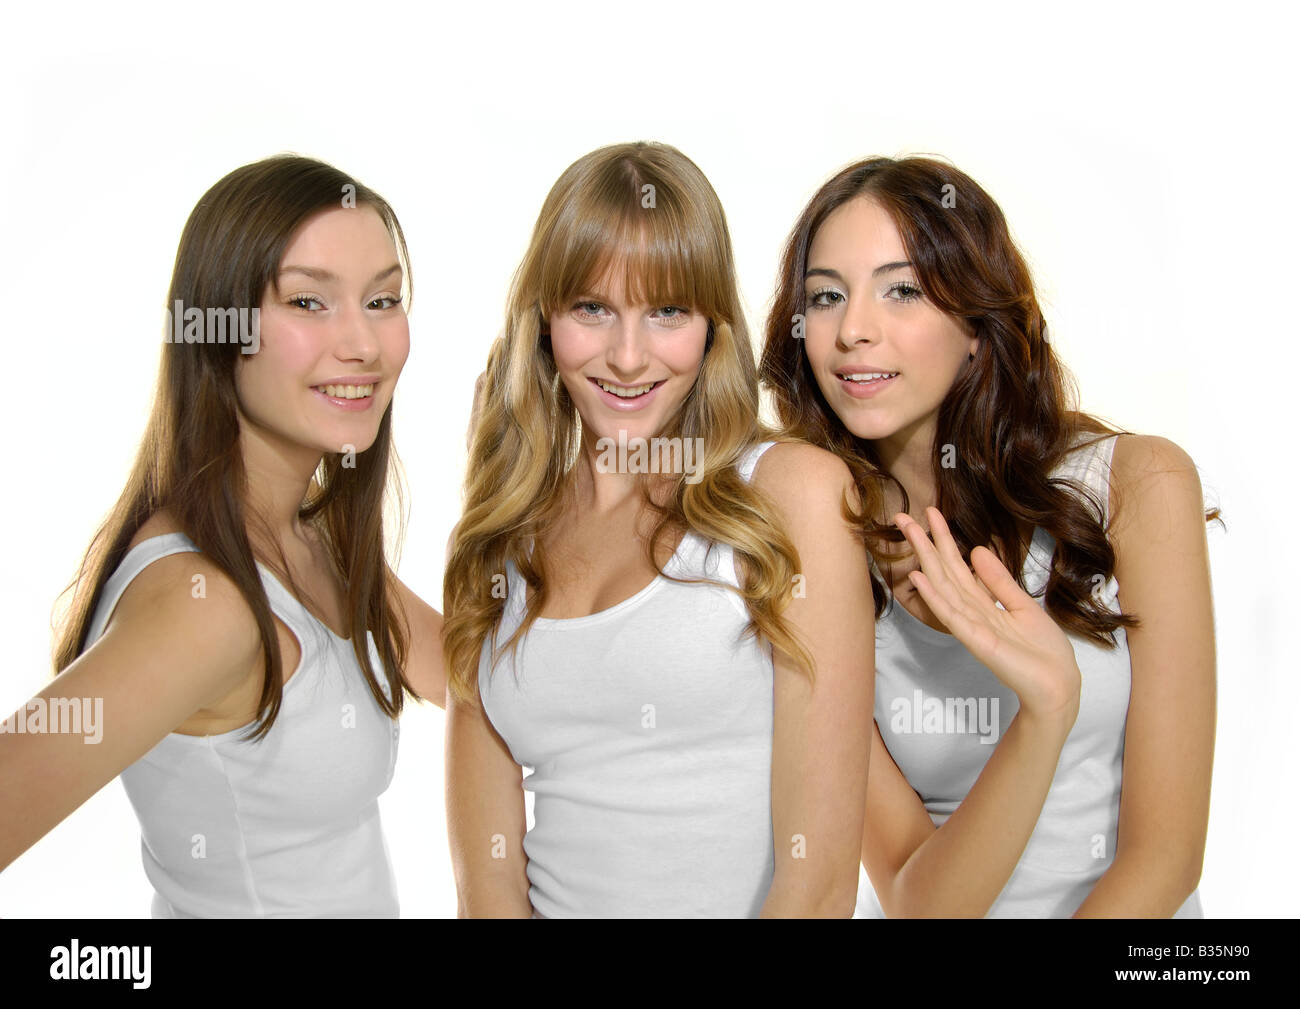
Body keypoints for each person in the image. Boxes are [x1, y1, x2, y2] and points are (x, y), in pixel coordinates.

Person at [759, 155, 1216, 918]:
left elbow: (1166, 858)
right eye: (826, 297)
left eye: (901, 289)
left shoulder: (1139, 486)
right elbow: (913, 898)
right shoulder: (812, 549)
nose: (854, 331)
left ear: (976, 326)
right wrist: (1043, 714)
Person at [0, 155, 445, 917]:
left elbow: (492, 682)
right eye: (309, 301)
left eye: (384, 299)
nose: (364, 344)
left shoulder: (313, 536)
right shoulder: (204, 603)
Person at [442, 140, 875, 917]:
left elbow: (817, 885)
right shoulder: (499, 533)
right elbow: (488, 883)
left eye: (667, 310)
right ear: (545, 318)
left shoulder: (793, 493)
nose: (629, 356)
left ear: (713, 325)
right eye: (592, 308)